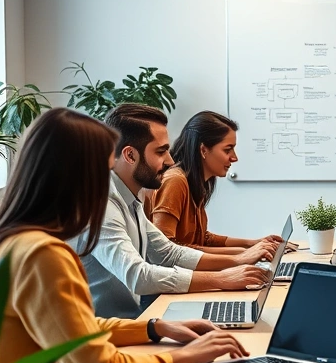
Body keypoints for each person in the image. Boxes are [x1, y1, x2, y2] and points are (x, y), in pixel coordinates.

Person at [0, 108, 249, 363]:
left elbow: (76, 326)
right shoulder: (41, 254)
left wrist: (155, 328)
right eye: (102, 173)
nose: (106, 188)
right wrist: (186, 357)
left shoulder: (8, 239)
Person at [73, 104, 275, 319]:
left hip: (133, 320)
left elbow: (168, 252)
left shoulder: (133, 194)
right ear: (130, 155)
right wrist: (222, 278)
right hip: (105, 335)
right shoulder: (101, 204)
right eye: (161, 151)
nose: (170, 160)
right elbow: (137, 275)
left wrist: (237, 262)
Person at [145, 111, 291, 254]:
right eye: (228, 150)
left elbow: (202, 239)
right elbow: (165, 249)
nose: (234, 158)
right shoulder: (175, 181)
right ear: (203, 150)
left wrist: (253, 243)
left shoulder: (195, 183)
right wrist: (242, 254)